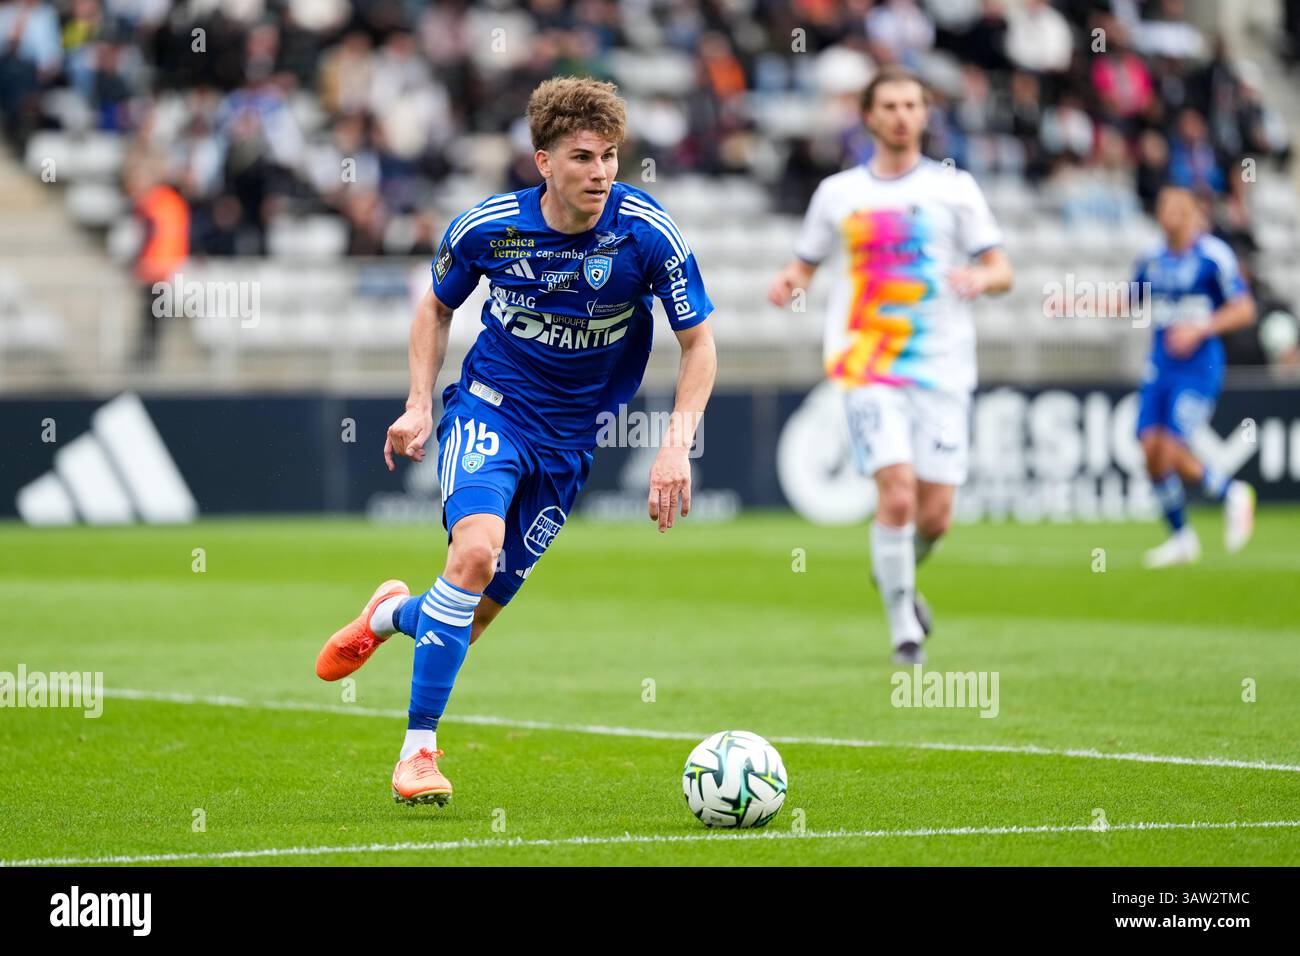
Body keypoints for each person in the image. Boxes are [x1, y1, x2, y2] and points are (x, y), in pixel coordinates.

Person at [314, 77, 717, 805]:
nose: (600, 173)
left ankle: (387, 615)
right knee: (472, 554)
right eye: (583, 157)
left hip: (569, 446)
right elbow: (434, 309)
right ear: (543, 162)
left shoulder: (647, 233)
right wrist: (417, 404)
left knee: (462, 622)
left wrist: (674, 443)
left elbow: (700, 344)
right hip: (491, 411)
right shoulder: (487, 228)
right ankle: (417, 756)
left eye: (611, 157)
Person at [768, 66, 1012, 665]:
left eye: (913, 105)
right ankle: (904, 625)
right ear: (870, 116)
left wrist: (982, 276)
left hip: (943, 370)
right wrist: (789, 283)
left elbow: (1003, 269)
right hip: (868, 365)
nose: (903, 116)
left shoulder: (956, 189)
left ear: (925, 115)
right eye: (892, 106)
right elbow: (806, 265)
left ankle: (895, 572)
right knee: (896, 496)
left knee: (936, 517)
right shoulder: (839, 193)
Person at [1132, 186, 1256, 567]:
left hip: (1199, 367)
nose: (1167, 212)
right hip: (1160, 365)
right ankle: (1182, 539)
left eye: (1175, 206)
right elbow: (1131, 300)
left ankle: (1232, 492)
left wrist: (1201, 328)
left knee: (1170, 448)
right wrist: (1076, 301)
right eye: (1163, 205)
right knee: (1150, 453)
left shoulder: (1212, 256)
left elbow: (1245, 309)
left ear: (1190, 212)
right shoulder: (1151, 259)